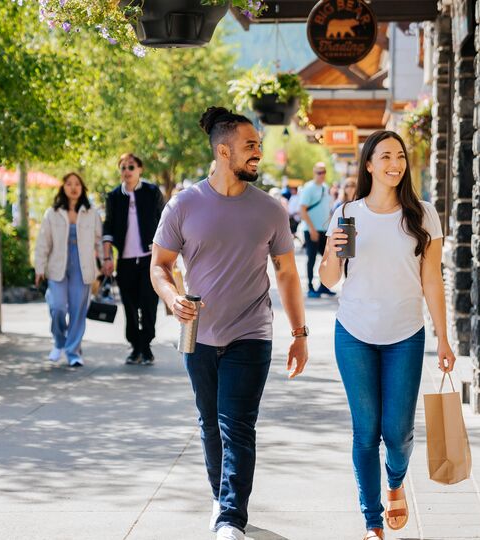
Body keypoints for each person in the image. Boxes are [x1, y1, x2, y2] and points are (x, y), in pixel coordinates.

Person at [150, 106, 309, 540]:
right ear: (224, 150)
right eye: (250, 146)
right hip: (197, 334)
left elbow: (288, 274)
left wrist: (299, 334)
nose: (259, 152)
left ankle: (230, 518)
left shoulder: (271, 210)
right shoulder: (183, 205)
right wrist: (172, 297)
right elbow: (160, 266)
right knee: (208, 421)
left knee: (236, 422)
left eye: (259, 145)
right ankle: (222, 498)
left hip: (251, 332)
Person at [319, 130, 456, 540]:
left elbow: (432, 280)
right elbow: (329, 280)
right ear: (368, 165)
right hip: (354, 333)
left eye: (399, 156)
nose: (394, 163)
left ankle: (396, 481)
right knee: (366, 430)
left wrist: (443, 339)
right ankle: (372, 521)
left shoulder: (423, 215)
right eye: (385, 157)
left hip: (405, 335)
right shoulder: (348, 214)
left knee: (397, 432)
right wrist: (333, 251)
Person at [101, 153, 165, 366]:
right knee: (129, 307)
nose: (127, 171)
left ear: (140, 169)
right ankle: (135, 347)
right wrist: (107, 257)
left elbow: (164, 223)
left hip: (149, 259)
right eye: (123, 168)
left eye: (131, 167)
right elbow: (108, 226)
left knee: (148, 305)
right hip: (126, 261)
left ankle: (146, 347)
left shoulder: (151, 192)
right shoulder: (114, 196)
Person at [35, 172, 103, 367]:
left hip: (83, 266)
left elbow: (99, 241)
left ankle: (73, 352)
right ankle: (59, 342)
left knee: (77, 310)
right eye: (69, 184)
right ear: (63, 188)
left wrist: (105, 262)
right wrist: (39, 268)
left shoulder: (91, 213)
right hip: (58, 266)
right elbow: (42, 243)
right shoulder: (52, 213)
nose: (73, 187)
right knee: (57, 307)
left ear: (82, 188)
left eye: (77, 184)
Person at [300, 161, 335, 298]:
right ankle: (310, 287)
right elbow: (302, 210)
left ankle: (323, 286)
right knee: (312, 258)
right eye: (319, 172)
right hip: (311, 230)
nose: (322, 175)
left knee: (327, 259)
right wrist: (312, 229)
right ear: (314, 173)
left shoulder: (325, 188)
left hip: (324, 230)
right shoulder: (309, 188)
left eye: (324, 172)